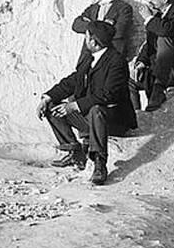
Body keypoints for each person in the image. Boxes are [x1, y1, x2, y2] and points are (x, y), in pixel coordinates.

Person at [37, 19, 136, 186]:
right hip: (90, 118)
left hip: (113, 120)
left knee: (97, 110)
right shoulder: (89, 59)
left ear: (94, 42)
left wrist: (74, 106)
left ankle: (99, 163)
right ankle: (75, 153)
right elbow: (72, 81)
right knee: (51, 108)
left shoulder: (116, 61)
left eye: (87, 36)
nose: (85, 39)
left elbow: (108, 95)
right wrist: (47, 97)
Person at [71, 0, 134, 64]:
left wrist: (91, 28)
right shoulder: (92, 8)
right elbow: (76, 25)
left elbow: (119, 32)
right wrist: (100, 25)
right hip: (88, 56)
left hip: (112, 56)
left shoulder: (124, 8)